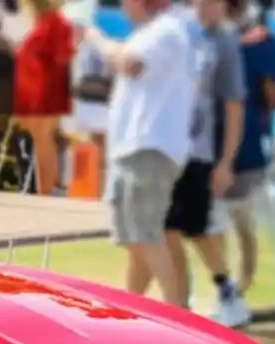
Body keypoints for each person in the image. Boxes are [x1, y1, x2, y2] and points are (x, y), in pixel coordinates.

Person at [83, 0, 195, 307]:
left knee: (145, 236)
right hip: (135, 149)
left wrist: (94, 38)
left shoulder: (166, 29)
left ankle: (177, 313)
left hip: (148, 149)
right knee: (136, 241)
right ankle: (131, 310)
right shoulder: (155, 31)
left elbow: (129, 63)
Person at [163, 0, 248, 327]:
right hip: (165, 148)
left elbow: (233, 106)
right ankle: (179, 304)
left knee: (195, 229)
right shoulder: (172, 30)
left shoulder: (223, 42)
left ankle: (225, 290)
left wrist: (226, 161)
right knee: (167, 230)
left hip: (197, 153)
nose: (212, 7)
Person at [225, 0, 275, 315]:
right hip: (240, 142)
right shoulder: (252, 40)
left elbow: (272, 97)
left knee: (244, 220)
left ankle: (251, 287)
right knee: (241, 222)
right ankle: (244, 287)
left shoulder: (257, 41)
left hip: (244, 145)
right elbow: (272, 96)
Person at [13, 0, 75, 197]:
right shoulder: (42, 21)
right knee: (41, 141)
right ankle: (47, 188)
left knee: (42, 141)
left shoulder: (54, 22)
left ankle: (47, 190)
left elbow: (63, 56)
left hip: (43, 91)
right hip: (34, 90)